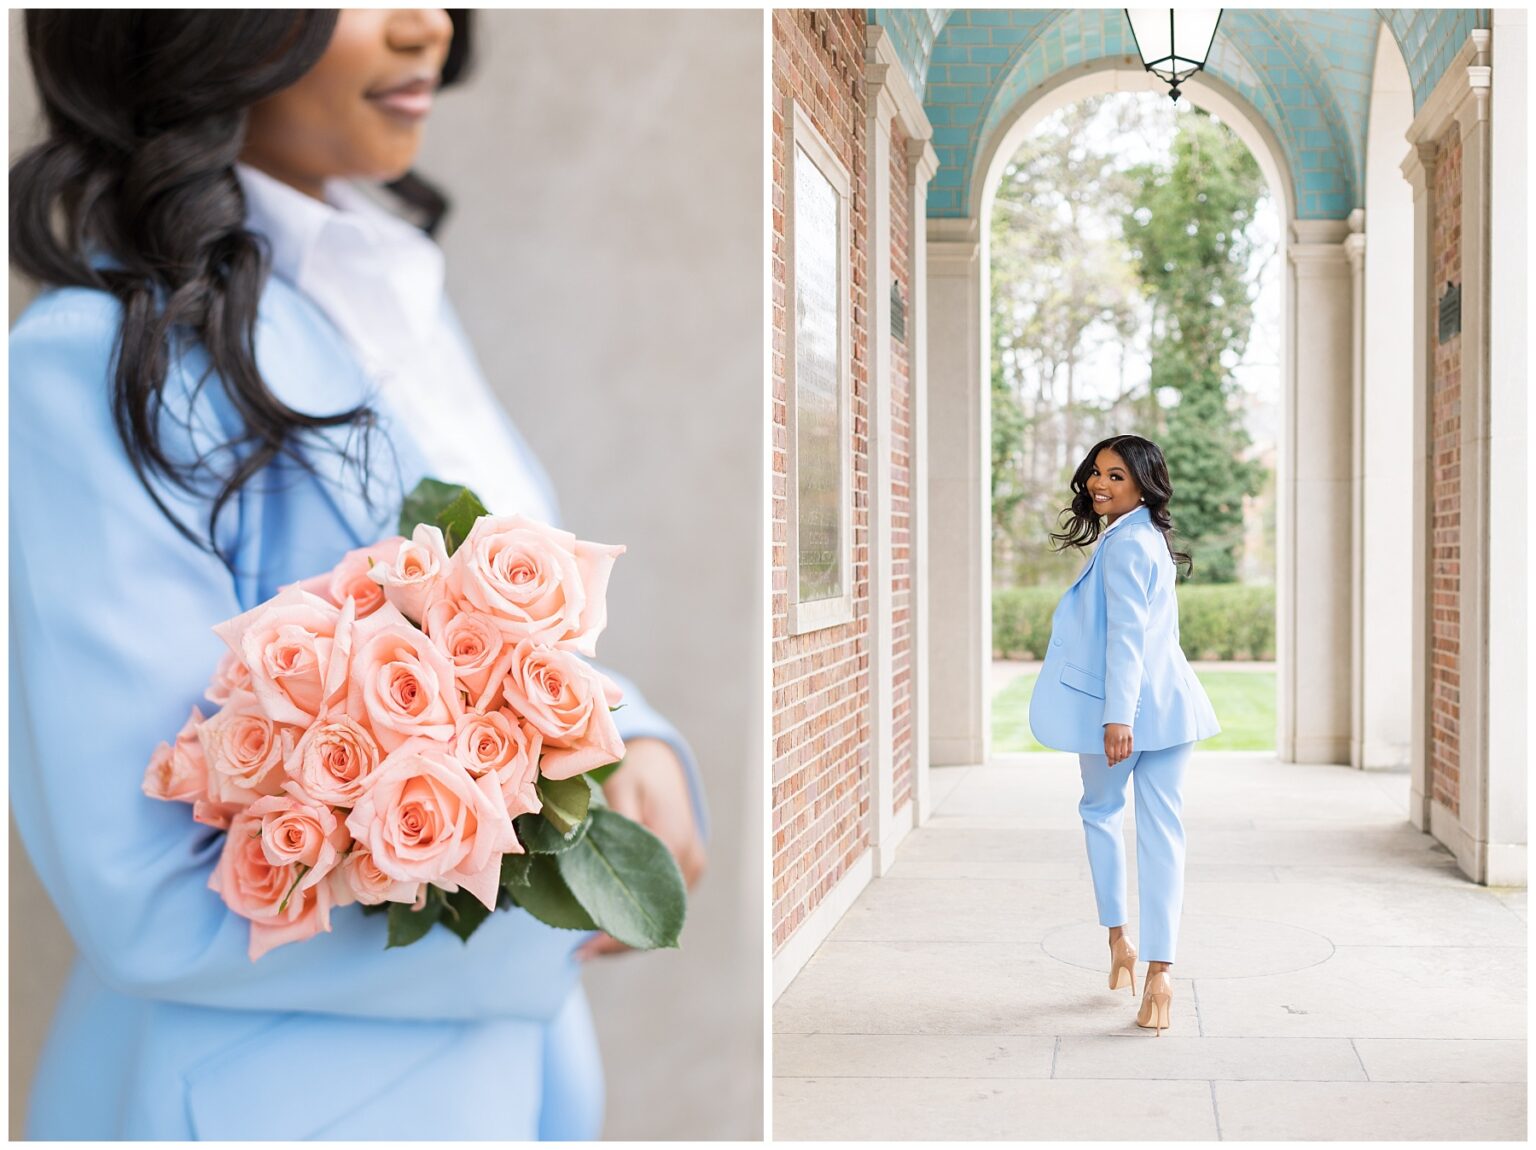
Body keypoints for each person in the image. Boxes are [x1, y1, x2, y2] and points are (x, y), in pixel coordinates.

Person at [9, 10, 706, 1139]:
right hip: (265, 1103)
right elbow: (140, 885)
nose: (427, 19)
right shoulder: (94, 365)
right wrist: (564, 894)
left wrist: (632, 738)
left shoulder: (384, 282)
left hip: (507, 1088)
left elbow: (478, 607)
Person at [1028, 434, 1219, 1036]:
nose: (1099, 484)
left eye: (1115, 475)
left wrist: (1118, 718)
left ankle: (1121, 941)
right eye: (1096, 474)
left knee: (1102, 812)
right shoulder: (1144, 538)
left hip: (1124, 714)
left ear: (1143, 482)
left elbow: (1127, 638)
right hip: (1173, 708)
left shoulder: (1127, 545)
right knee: (1164, 836)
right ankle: (1158, 976)